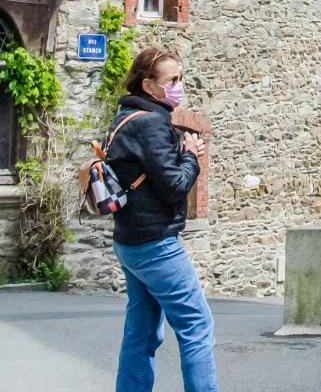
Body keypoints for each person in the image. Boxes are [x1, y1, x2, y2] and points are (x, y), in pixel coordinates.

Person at [106, 47, 216, 392]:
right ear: (149, 86)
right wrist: (191, 157)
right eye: (173, 80)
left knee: (141, 328)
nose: (179, 86)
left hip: (129, 239)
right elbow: (175, 186)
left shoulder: (124, 118)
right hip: (156, 243)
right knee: (196, 325)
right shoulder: (152, 124)